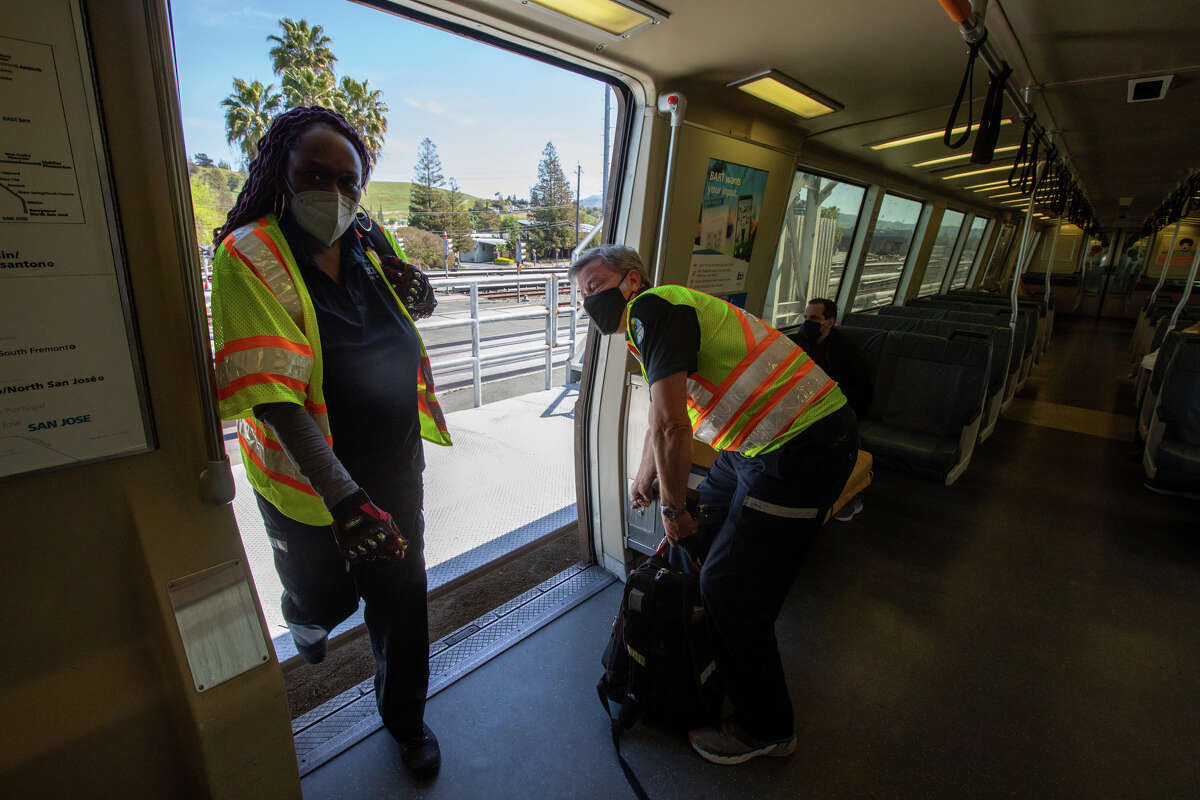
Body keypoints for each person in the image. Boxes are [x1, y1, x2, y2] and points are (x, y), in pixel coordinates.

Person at [209, 107, 451, 779]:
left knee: (400, 597)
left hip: (394, 463)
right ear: (280, 173)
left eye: (348, 180)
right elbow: (273, 396)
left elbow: (408, 312)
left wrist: (422, 293)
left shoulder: (368, 237)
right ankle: (303, 613)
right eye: (316, 175)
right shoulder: (248, 254)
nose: (335, 193)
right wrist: (345, 500)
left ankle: (406, 720)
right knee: (327, 598)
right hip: (310, 479)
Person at [571, 245, 858, 766]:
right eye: (582, 294)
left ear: (631, 281)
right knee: (703, 539)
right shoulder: (651, 321)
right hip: (752, 448)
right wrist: (646, 475)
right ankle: (710, 659)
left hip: (805, 448)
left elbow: (672, 427)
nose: (588, 301)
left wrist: (672, 510)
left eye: (594, 286)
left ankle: (768, 728)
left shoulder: (654, 308)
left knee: (730, 588)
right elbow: (663, 414)